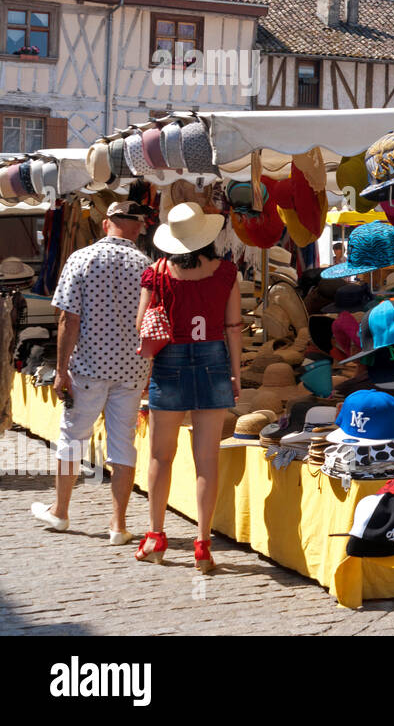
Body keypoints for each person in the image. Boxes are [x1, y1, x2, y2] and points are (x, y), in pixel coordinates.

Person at [32, 200, 153, 544]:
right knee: (122, 445)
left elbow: (68, 319)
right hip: (131, 367)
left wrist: (60, 370)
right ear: (138, 227)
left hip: (88, 366)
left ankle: (61, 511)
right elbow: (152, 323)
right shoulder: (145, 265)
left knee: (72, 438)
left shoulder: (81, 259)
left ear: (106, 224)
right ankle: (118, 524)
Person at [133, 203, 240, 573]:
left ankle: (155, 537)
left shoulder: (156, 272)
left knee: (161, 456)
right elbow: (233, 328)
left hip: (170, 363)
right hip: (214, 361)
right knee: (206, 459)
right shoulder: (226, 271)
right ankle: (204, 544)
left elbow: (141, 325)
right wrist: (236, 374)